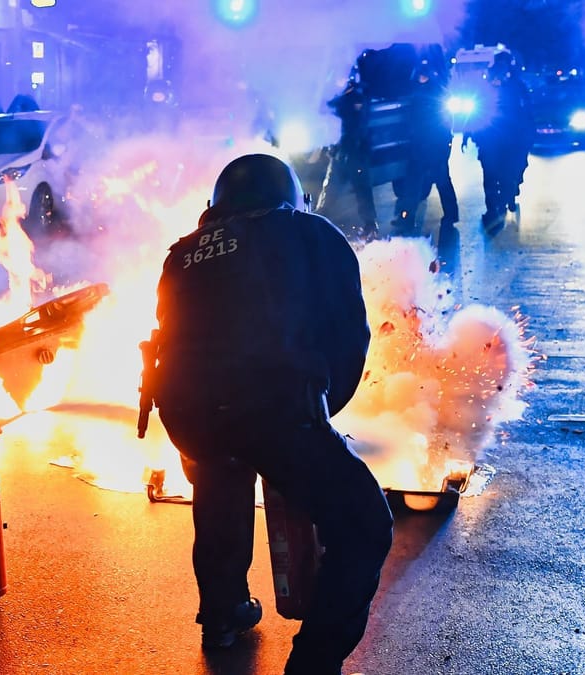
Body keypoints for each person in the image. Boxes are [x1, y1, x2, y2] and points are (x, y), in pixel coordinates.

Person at [147, 154, 394, 675]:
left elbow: (172, 336)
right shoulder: (311, 234)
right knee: (364, 526)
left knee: (218, 476)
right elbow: (349, 337)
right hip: (274, 408)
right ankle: (313, 664)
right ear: (290, 197)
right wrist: (320, 409)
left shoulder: (182, 252)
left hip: (188, 412)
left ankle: (222, 614)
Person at [393, 58, 460, 237]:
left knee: (438, 183)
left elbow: (443, 122)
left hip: (432, 147)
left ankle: (448, 215)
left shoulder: (433, 94)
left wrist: (443, 144)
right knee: (418, 185)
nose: (421, 78)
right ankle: (409, 218)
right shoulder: (427, 93)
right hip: (424, 147)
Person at [473, 51, 530, 236]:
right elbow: (477, 111)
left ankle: (505, 200)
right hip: (492, 141)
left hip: (509, 141)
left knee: (505, 175)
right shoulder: (488, 86)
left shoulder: (516, 86)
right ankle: (494, 210)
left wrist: (527, 137)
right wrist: (471, 134)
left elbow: (526, 112)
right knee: (492, 177)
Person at [327, 78, 381, 240]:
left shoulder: (355, 99)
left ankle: (370, 226)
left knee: (361, 190)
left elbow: (357, 127)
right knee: (331, 189)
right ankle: (317, 219)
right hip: (342, 153)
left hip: (354, 153)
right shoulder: (343, 99)